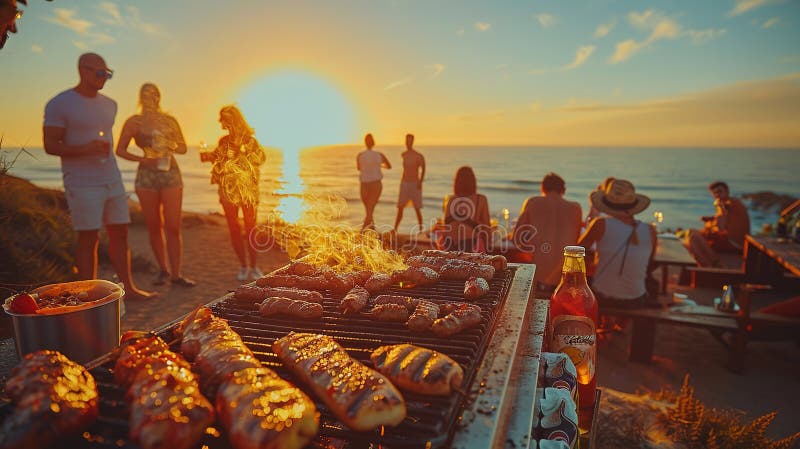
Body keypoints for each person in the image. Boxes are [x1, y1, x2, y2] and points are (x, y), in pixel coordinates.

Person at [43, 53, 156, 300]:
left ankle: (129, 288)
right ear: (83, 71)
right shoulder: (60, 103)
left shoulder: (110, 104)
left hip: (111, 176)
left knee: (120, 232)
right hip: (81, 181)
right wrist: (85, 149)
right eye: (99, 73)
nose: (104, 78)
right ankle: (89, 294)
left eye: (108, 74)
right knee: (89, 236)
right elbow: (50, 145)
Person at [115, 83, 195, 287]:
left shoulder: (169, 121)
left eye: (154, 94)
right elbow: (120, 150)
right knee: (153, 226)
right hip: (146, 176)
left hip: (170, 174)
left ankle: (177, 275)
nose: (150, 97)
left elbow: (184, 148)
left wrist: (169, 143)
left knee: (173, 226)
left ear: (159, 97)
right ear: (140, 98)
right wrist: (144, 160)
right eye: (145, 94)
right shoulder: (134, 122)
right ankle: (163, 269)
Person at [200, 105, 266, 281]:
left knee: (251, 227)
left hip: (248, 190)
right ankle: (244, 266)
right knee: (234, 228)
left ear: (233, 119)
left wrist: (244, 157)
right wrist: (207, 156)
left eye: (223, 118)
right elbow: (218, 159)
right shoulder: (223, 141)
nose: (221, 121)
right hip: (227, 190)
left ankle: (254, 266)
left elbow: (261, 158)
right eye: (221, 118)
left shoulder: (249, 140)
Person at [578, 179, 657, 307]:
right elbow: (649, 263)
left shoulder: (600, 224)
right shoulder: (650, 230)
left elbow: (576, 252)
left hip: (603, 296)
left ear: (607, 203)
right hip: (637, 298)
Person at [512, 173, 582, 293]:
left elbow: (517, 237)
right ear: (563, 190)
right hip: (565, 276)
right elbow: (575, 240)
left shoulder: (533, 202)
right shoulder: (576, 208)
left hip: (537, 274)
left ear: (542, 188)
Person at [684, 181, 751, 267]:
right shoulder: (732, 204)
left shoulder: (730, 203)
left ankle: (711, 264)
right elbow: (725, 216)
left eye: (720, 191)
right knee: (692, 238)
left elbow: (721, 226)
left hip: (733, 242)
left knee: (692, 236)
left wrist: (718, 207)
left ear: (727, 192)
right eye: (715, 193)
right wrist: (711, 219)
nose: (717, 195)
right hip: (731, 240)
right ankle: (707, 264)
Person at [439, 166, 490, 252]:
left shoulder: (449, 199)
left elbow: (446, 225)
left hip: (448, 245)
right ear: (473, 182)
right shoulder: (480, 199)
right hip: (470, 245)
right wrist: (488, 245)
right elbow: (486, 227)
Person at [356, 133, 391, 231]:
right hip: (376, 184)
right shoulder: (380, 155)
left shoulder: (360, 155)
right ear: (373, 143)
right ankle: (370, 230)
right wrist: (379, 165)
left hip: (364, 185)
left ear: (365, 143)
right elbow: (389, 166)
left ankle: (365, 230)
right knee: (370, 210)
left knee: (369, 209)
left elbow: (358, 168)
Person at [393, 133, 425, 233]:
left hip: (415, 184)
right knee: (400, 207)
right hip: (404, 183)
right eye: (407, 141)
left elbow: (423, 168)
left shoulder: (418, 156)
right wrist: (402, 183)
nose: (408, 143)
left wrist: (420, 181)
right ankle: (395, 229)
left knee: (417, 208)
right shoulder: (403, 154)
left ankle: (420, 230)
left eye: (410, 141)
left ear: (413, 142)